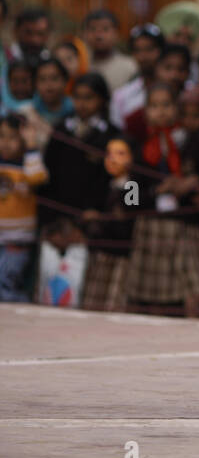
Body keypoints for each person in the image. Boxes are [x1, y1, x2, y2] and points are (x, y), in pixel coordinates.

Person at [125, 82, 199, 318]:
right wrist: (157, 192)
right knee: (151, 301)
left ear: (177, 108)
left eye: (166, 105)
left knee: (192, 294)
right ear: (145, 112)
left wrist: (191, 183)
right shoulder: (139, 148)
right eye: (154, 106)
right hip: (151, 229)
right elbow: (130, 197)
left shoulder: (192, 142)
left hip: (185, 228)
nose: (160, 111)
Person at [44, 73, 118, 213]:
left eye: (88, 97)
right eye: (77, 97)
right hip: (61, 213)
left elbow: (120, 181)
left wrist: (97, 209)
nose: (82, 104)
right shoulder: (61, 130)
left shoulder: (112, 135)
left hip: (97, 216)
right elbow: (49, 172)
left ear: (102, 99)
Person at [80, 137, 138, 313]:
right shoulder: (103, 182)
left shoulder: (131, 186)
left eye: (121, 154)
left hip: (121, 253)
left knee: (115, 302)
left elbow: (128, 218)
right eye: (110, 154)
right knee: (93, 300)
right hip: (100, 250)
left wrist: (102, 218)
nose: (113, 159)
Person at [0, 112, 48, 300]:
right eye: (1, 136)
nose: (5, 142)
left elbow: (37, 177)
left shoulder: (27, 165)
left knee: (7, 282)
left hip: (17, 239)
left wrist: (31, 145)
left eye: (13, 137)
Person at [110, 23, 165, 130]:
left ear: (161, 50)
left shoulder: (180, 89)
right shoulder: (121, 96)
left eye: (149, 49)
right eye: (137, 50)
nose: (143, 56)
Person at [83, 9, 138, 93]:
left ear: (116, 34)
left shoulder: (130, 67)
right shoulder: (79, 64)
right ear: (84, 33)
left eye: (105, 29)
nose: (98, 35)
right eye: (92, 29)